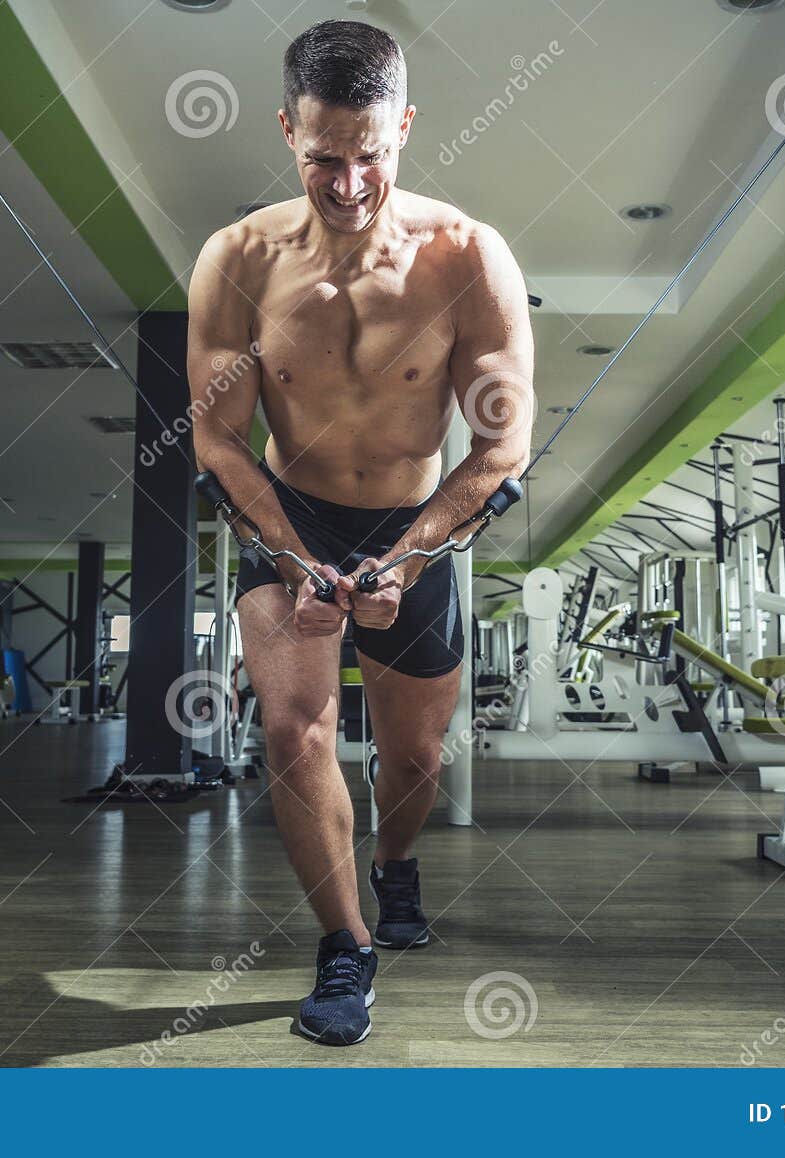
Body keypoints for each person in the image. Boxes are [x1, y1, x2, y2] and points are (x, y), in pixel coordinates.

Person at [188, 19, 534, 1046]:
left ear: (406, 129)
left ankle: (393, 865)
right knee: (292, 734)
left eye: (371, 155)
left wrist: (407, 558)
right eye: (322, 158)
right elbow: (218, 441)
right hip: (287, 514)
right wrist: (296, 557)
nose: (347, 182)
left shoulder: (468, 257)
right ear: (286, 129)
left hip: (415, 521)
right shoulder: (238, 259)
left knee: (413, 758)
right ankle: (345, 947)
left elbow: (499, 452)